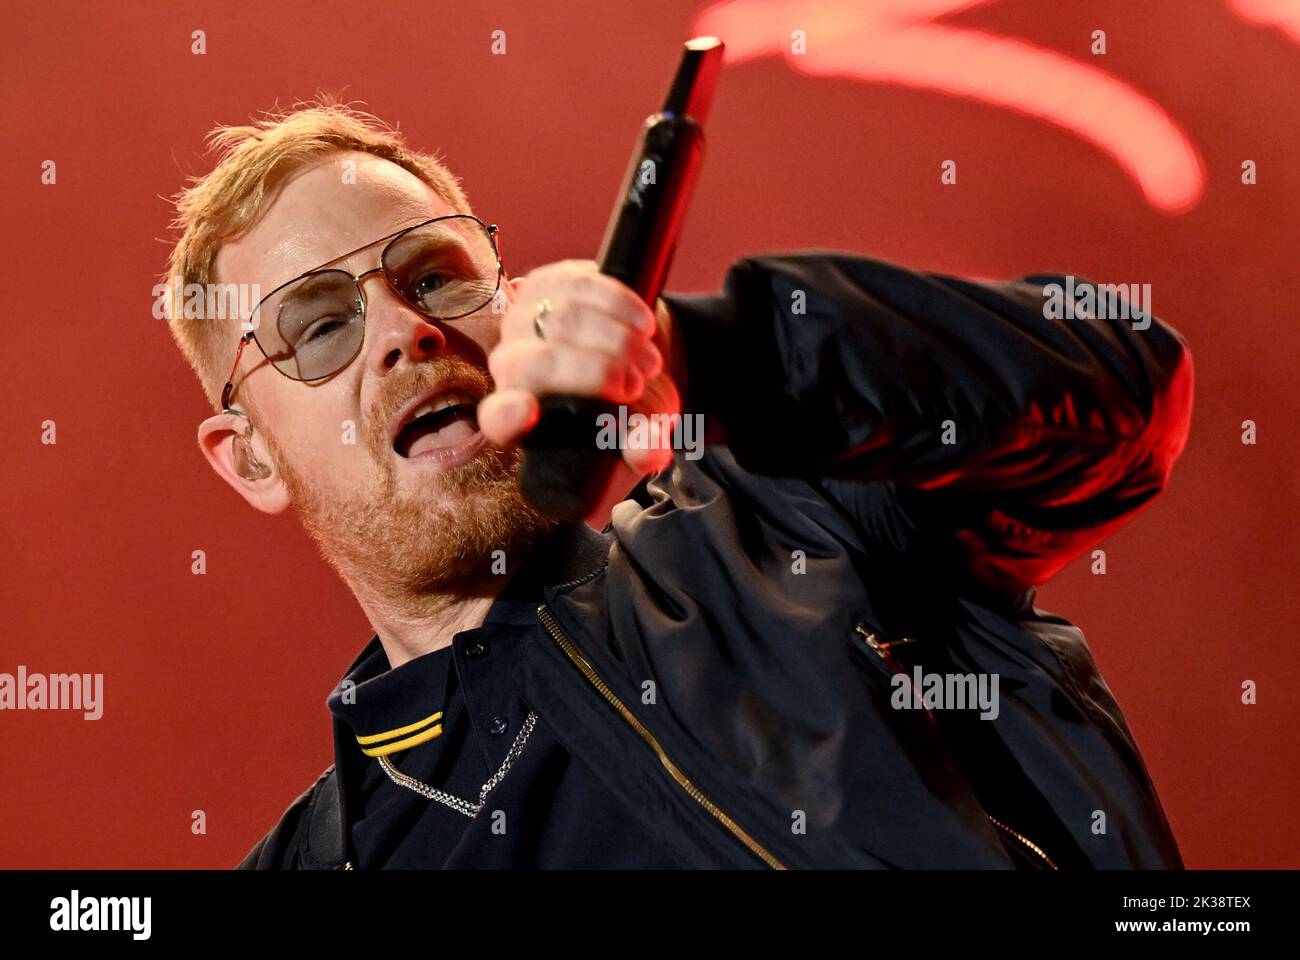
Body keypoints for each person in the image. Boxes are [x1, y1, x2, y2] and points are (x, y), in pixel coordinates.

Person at [163, 102, 1193, 870]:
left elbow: (1124, 386)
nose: (404, 331)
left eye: (433, 275)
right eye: (319, 324)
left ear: (510, 301)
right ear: (246, 454)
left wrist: (711, 354)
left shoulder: (792, 536)